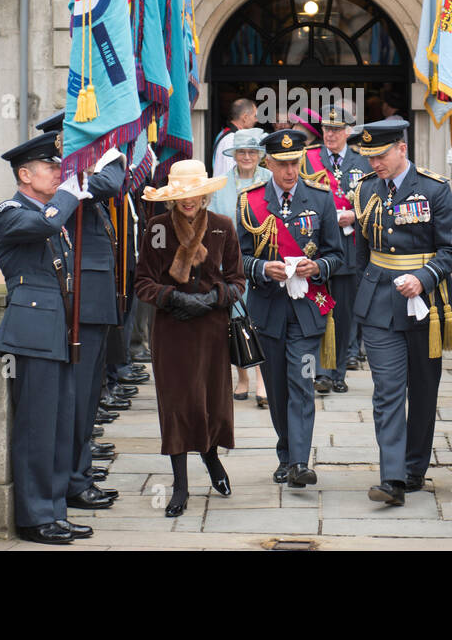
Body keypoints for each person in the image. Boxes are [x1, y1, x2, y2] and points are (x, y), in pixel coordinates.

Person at [349, 121, 452, 505]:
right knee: (388, 391)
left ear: (402, 148)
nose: (375, 163)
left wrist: (424, 277)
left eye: (380, 155)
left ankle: (414, 467)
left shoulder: (435, 189)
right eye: (370, 157)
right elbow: (363, 247)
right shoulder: (364, 188)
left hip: (425, 305)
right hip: (380, 301)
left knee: (423, 390)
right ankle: (392, 478)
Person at [0, 131, 93, 544]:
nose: (58, 174)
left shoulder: (50, 212)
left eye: (59, 168)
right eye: (51, 168)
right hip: (32, 335)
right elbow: (41, 225)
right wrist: (70, 190)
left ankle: (54, 510)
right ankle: (34, 518)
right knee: (35, 428)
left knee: (58, 427)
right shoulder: (11, 211)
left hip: (57, 333)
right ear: (25, 174)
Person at [135, 160, 246, 517]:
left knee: (212, 402)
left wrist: (212, 299)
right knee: (178, 405)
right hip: (172, 330)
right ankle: (180, 486)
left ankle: (212, 460)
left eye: (195, 194)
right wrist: (174, 298)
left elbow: (237, 281)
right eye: (182, 195)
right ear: (172, 197)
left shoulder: (222, 227)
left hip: (212, 330)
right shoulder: (157, 228)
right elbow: (143, 283)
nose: (189, 201)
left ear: (205, 195)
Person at [237, 129, 345, 489]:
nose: (289, 171)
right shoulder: (249, 201)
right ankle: (286, 453)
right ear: (268, 163)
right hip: (267, 310)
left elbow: (337, 255)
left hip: (307, 312)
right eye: (282, 164)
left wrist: (318, 267)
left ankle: (299, 462)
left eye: (294, 163)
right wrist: (261, 268)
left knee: (302, 383)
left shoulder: (321, 198)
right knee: (277, 389)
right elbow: (237, 257)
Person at [34, 113, 127, 512]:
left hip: (94, 300)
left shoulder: (84, 171)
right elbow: (109, 183)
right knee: (78, 396)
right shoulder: (71, 174)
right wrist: (106, 158)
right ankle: (73, 477)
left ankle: (78, 469)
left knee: (87, 396)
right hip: (80, 302)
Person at [303, 104, 370, 394]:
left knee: (343, 313)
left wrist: (355, 215)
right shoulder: (308, 159)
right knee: (316, 308)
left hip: (350, 247)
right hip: (314, 246)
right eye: (327, 129)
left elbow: (375, 200)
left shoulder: (363, 161)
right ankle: (320, 372)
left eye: (337, 129)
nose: (330, 134)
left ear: (348, 131)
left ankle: (339, 370)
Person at [211, 127, 270, 406]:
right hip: (228, 261)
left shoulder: (270, 180)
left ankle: (262, 379)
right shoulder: (220, 183)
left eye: (253, 152)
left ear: (260, 155)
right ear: (234, 155)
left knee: (260, 319)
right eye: (242, 152)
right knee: (234, 320)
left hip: (261, 259)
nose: (247, 156)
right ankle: (242, 378)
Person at [212, 97, 257, 178]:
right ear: (245, 117)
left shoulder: (224, 134)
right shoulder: (231, 139)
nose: (256, 120)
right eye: (254, 116)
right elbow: (229, 172)